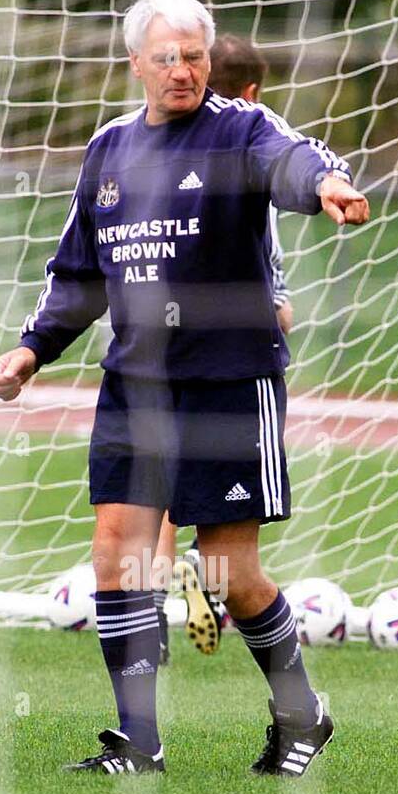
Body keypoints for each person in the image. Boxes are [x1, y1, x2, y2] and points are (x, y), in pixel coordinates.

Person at [0, 0, 368, 777]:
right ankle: (138, 742)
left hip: (228, 379)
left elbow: (294, 159)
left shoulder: (241, 129)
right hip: (134, 382)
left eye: (193, 56)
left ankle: (300, 711)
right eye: (165, 57)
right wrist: (32, 349)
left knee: (230, 574)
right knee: (116, 555)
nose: (182, 70)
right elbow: (80, 274)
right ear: (136, 63)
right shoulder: (109, 150)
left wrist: (324, 186)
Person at [153, 32, 295, 665]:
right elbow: (272, 280)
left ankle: (156, 598)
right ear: (255, 93)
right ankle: (195, 580)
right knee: (230, 553)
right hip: (233, 357)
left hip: (152, 352)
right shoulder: (254, 144)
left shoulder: (145, 145)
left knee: (157, 495)